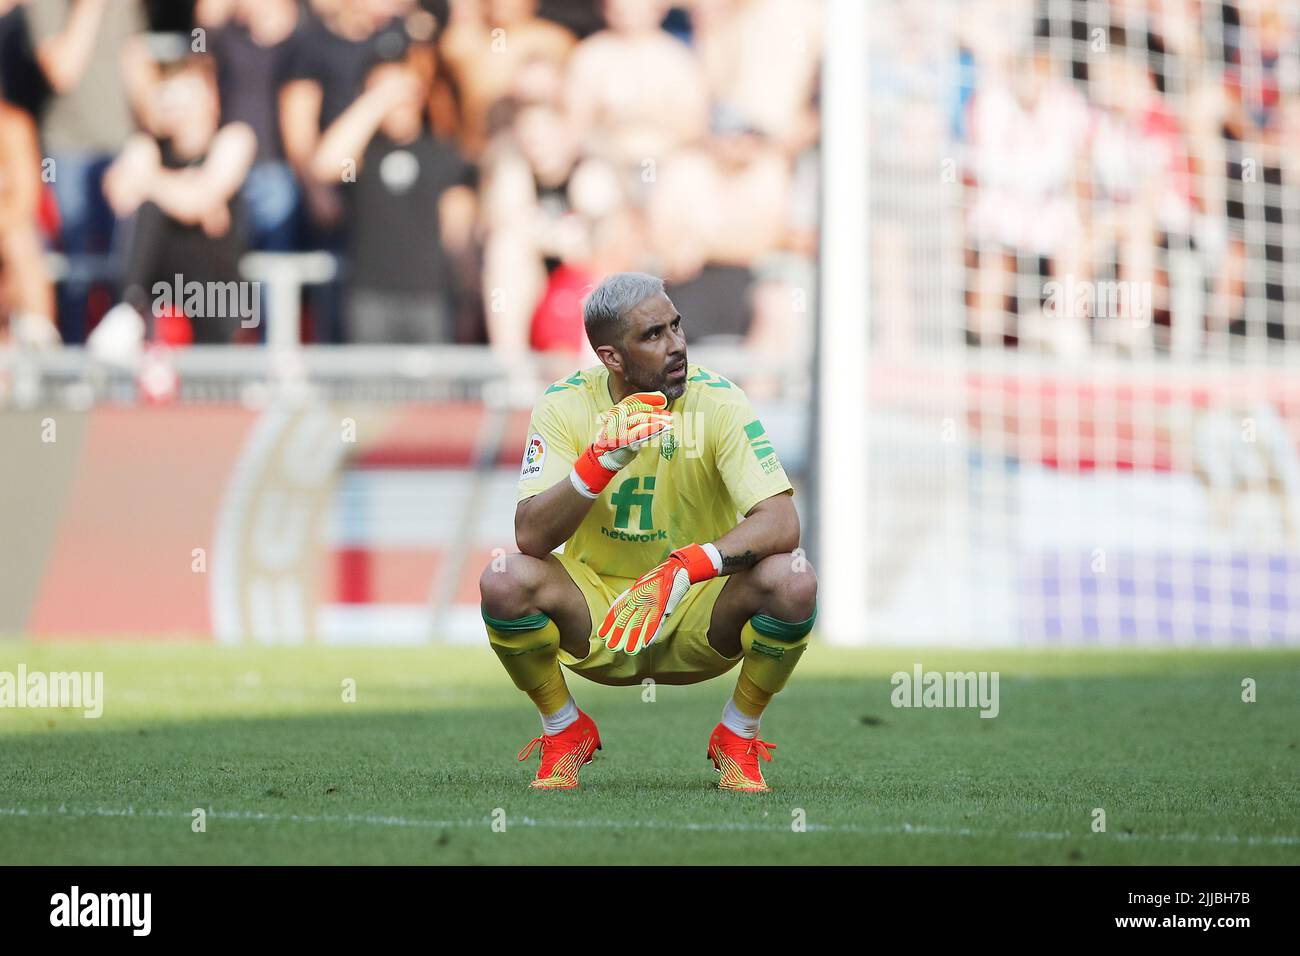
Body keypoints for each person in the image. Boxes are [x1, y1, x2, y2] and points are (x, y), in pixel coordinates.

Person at [479, 271, 818, 792]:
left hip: (698, 608)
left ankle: (738, 734)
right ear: (612, 357)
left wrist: (690, 566)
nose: (677, 345)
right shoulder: (564, 404)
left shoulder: (719, 400)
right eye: (653, 335)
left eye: (676, 326)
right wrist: (598, 465)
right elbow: (530, 535)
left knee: (794, 578)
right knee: (503, 578)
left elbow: (781, 520)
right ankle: (564, 729)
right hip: (600, 612)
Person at [311, 47, 476, 343]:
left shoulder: (444, 154)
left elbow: (458, 236)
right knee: (370, 389)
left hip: (431, 299)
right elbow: (324, 166)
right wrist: (377, 101)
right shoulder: (362, 156)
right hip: (367, 298)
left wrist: (466, 300)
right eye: (378, 92)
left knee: (432, 389)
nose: (394, 102)